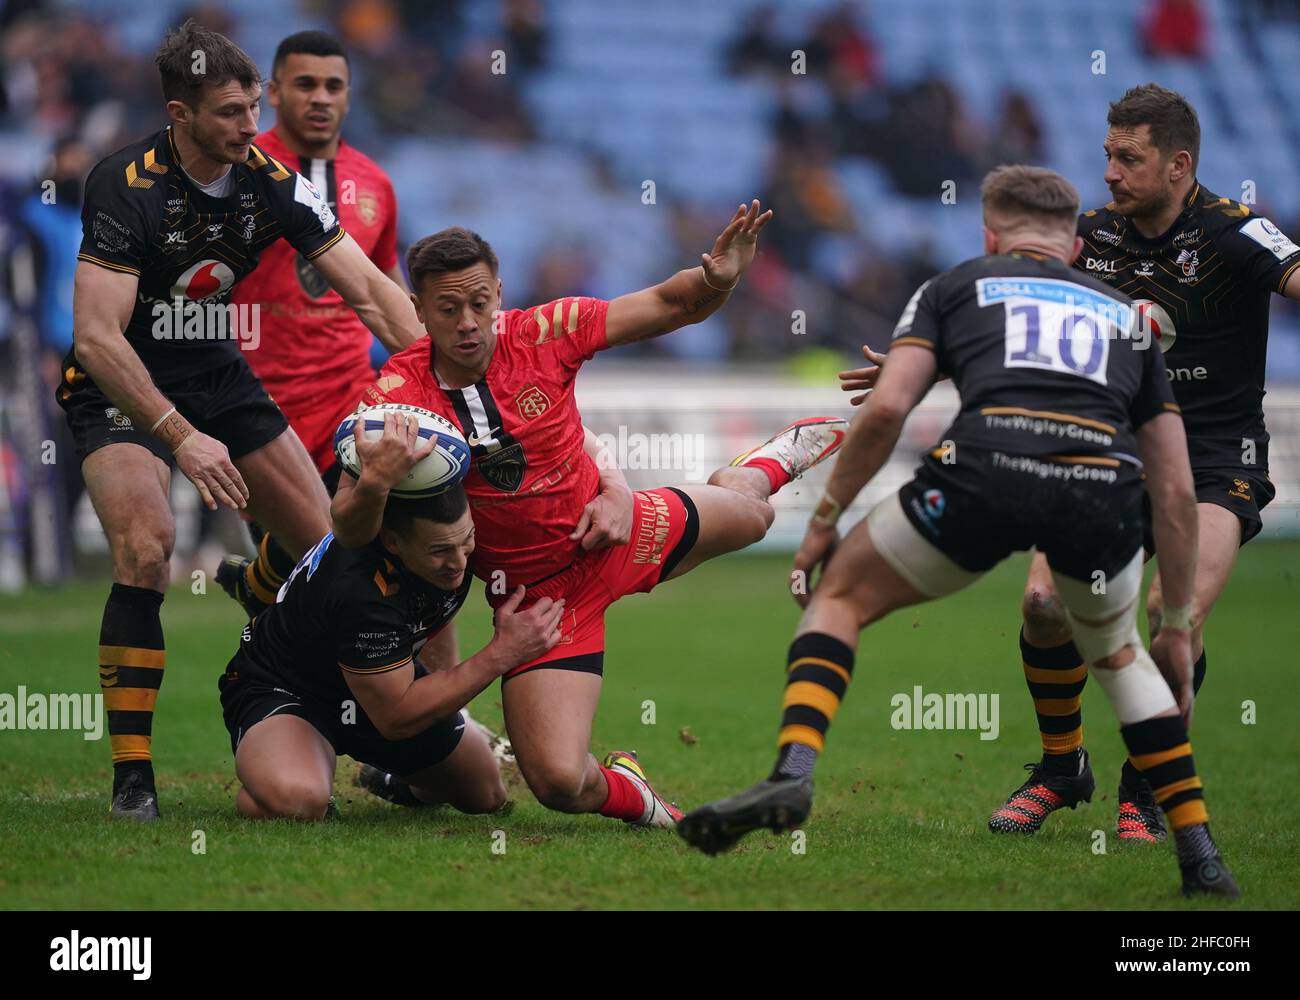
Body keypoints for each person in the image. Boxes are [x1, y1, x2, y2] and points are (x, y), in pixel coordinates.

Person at [678, 165, 1238, 898]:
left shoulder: (956, 287)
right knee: (1122, 656)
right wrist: (1177, 621)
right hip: (1101, 493)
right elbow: (1171, 479)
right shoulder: (1126, 317)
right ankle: (1200, 856)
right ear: (1073, 246)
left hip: (982, 475)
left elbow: (883, 412)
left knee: (840, 599)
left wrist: (824, 522)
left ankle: (792, 776)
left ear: (989, 234)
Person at [839, 84, 1300, 844]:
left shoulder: (1234, 233)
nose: (1111, 172)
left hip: (1217, 461)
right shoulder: (1087, 237)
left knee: (1168, 618)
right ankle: (1061, 768)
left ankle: (1144, 790)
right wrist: (916, 359)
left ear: (1180, 164)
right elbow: (1006, 316)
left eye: (1130, 158)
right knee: (1046, 608)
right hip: (1107, 448)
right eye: (1108, 155)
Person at [331, 206, 849, 828]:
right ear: (417, 310)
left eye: (478, 303)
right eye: (447, 309)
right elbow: (348, 527)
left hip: (622, 530)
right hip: (542, 605)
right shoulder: (394, 399)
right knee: (558, 782)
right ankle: (646, 800)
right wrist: (377, 483)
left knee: (754, 518)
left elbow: (667, 303)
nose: (467, 323)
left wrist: (719, 280)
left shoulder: (548, 330)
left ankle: (756, 469)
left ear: (499, 292)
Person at [60, 21, 424, 820]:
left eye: (253, 107)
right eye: (230, 112)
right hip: (120, 383)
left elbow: (368, 290)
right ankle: (132, 779)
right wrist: (179, 435)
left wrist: (459, 382)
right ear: (179, 114)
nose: (250, 127)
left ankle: (269, 599)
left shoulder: (271, 180)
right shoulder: (124, 184)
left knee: (330, 548)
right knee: (148, 547)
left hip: (216, 371)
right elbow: (95, 336)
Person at [218, 478, 562, 820]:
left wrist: (612, 488)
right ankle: (284, 781)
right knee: (301, 801)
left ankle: (388, 779)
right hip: (288, 687)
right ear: (392, 541)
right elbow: (397, 717)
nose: (459, 563)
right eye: (440, 551)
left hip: (385, 676)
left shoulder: (457, 537)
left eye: (466, 541)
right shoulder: (361, 588)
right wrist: (501, 653)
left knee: (484, 795)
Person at [218, 30, 411, 619]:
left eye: (334, 86)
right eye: (305, 84)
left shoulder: (375, 183)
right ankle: (265, 596)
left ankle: (447, 710)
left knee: (408, 555)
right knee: (309, 591)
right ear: (273, 92)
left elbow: (386, 290)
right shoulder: (234, 170)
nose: (320, 97)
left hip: (348, 402)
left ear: (349, 96)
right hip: (258, 410)